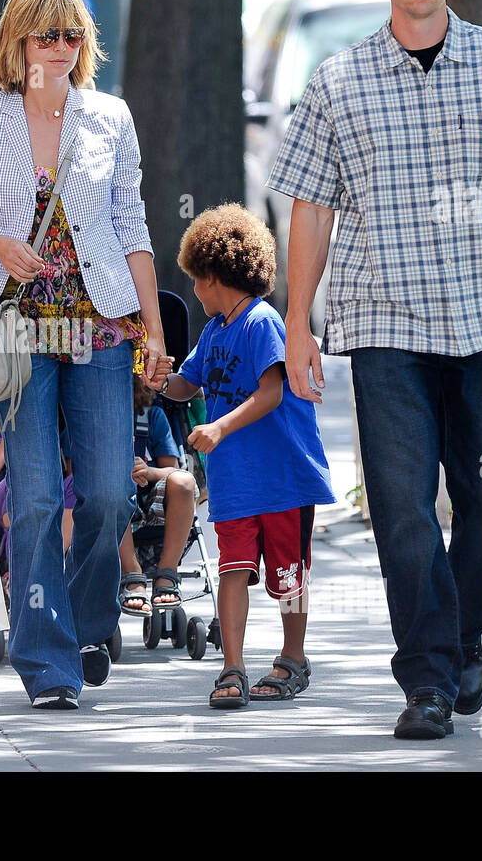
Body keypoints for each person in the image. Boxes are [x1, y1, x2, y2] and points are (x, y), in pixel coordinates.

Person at [266, 0, 482, 739]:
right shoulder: (338, 81)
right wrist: (298, 324)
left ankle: (459, 630)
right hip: (385, 324)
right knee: (404, 508)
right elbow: (311, 208)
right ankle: (429, 682)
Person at [0, 0, 172, 710]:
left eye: (73, 34)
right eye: (47, 34)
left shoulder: (110, 117)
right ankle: (47, 660)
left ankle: (80, 620)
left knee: (107, 492)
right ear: (17, 41)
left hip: (100, 325)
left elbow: (131, 227)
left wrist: (153, 329)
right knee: (36, 498)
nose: (62, 47)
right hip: (16, 330)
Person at [159, 204, 334, 708]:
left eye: (196, 279)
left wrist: (217, 426)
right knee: (232, 568)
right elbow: (187, 383)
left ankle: (293, 658)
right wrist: (158, 382)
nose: (193, 289)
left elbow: (272, 392)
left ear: (214, 275)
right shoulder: (214, 331)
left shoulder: (262, 322)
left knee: (288, 574)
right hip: (235, 479)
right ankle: (231, 667)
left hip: (283, 477)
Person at [116, 377, 196, 616]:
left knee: (183, 481)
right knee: (112, 486)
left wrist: (148, 471)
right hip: (111, 503)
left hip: (151, 504)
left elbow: (172, 470)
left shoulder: (152, 416)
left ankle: (167, 574)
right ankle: (132, 575)